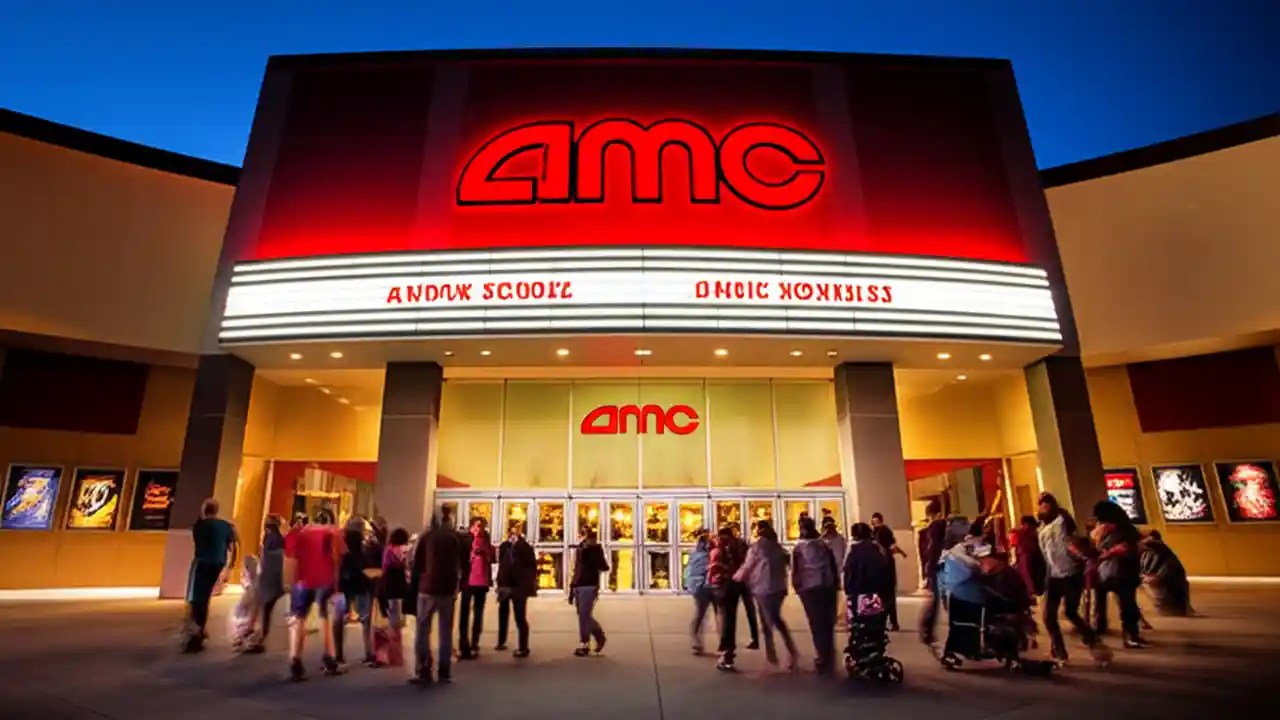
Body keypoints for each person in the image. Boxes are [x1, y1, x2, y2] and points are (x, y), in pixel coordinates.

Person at [1036, 492, 1100, 663]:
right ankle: (1060, 651)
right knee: (1048, 616)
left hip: (1071, 573)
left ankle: (1090, 637)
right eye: (1041, 505)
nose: (1042, 509)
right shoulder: (1041, 528)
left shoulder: (1062, 521)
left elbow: (1071, 536)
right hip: (1053, 576)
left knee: (1070, 611)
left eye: (1046, 505)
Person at [286, 508, 343, 681]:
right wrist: (337, 581)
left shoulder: (301, 533)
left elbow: (293, 558)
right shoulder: (332, 532)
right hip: (324, 580)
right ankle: (328, 657)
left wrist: (291, 581)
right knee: (323, 617)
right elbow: (336, 557)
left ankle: (295, 659)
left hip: (303, 581)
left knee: (298, 618)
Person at [734, 520, 798, 672]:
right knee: (772, 619)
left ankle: (784, 653)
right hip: (778, 588)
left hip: (763, 588)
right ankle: (774, 653)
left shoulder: (757, 548)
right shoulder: (777, 548)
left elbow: (748, 566)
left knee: (771, 620)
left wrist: (736, 577)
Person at [411, 514, 464, 685]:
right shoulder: (454, 538)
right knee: (445, 631)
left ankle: (424, 668)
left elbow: (416, 563)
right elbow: (462, 562)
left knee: (422, 630)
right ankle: (444, 671)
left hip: (427, 588)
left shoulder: (426, 537)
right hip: (448, 589)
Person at [183, 498, 239, 653]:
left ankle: (197, 631)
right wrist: (230, 566)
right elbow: (233, 546)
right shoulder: (226, 526)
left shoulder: (200, 525)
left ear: (204, 509)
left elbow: (197, 538)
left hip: (202, 561)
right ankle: (200, 628)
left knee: (195, 597)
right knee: (205, 595)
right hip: (218, 562)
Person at [1092, 500, 1146, 648]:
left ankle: (1124, 633)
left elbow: (1123, 548)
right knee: (1125, 604)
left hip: (1116, 572)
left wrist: (1104, 554)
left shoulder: (1121, 530)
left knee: (1123, 604)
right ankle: (1127, 634)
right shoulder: (1122, 529)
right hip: (1116, 572)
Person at [792, 516, 839, 673]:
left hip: (809, 588)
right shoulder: (823, 545)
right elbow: (832, 566)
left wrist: (797, 586)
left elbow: (795, 569)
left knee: (816, 622)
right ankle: (828, 652)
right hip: (826, 586)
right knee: (827, 621)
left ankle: (822, 655)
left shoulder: (798, 547)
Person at [335, 516, 376, 667]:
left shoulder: (342, 546)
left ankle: (338, 654)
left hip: (344, 586)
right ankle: (369, 653)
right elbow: (368, 566)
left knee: (340, 620)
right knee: (366, 621)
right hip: (362, 586)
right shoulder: (365, 547)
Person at [243, 515, 286, 654]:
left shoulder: (268, 538)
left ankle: (257, 635)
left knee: (263, 605)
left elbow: (265, 558)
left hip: (268, 578)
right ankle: (255, 632)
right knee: (264, 606)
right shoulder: (280, 539)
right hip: (276, 578)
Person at [495, 523, 537, 657]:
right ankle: (501, 641)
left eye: (516, 533)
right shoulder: (504, 546)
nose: (513, 536)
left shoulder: (525, 548)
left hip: (519, 587)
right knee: (503, 613)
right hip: (505, 584)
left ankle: (523, 647)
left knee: (520, 617)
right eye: (511, 533)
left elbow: (531, 566)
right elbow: (501, 563)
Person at [458, 518, 495, 660]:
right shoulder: (465, 539)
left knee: (478, 613)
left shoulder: (486, 540)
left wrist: (484, 553)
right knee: (464, 613)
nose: (479, 529)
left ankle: (474, 642)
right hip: (468, 580)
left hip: (481, 580)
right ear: (471, 526)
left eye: (482, 526)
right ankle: (463, 642)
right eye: (477, 526)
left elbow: (491, 557)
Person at [569, 527, 610, 656]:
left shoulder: (594, 549)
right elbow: (576, 569)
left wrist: (592, 551)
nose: (580, 536)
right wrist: (572, 588)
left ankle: (585, 643)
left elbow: (604, 566)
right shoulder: (580, 548)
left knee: (584, 615)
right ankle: (598, 635)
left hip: (589, 585)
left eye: (582, 534)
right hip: (579, 584)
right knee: (583, 615)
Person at [377, 527, 412, 666]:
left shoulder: (388, 550)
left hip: (389, 588)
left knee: (392, 623)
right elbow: (408, 567)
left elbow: (385, 569)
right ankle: (397, 654)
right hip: (401, 589)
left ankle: (393, 654)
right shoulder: (405, 550)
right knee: (397, 624)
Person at [916, 499, 948, 646]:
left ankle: (926, 629)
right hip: (940, 566)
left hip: (935, 566)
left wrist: (927, 569)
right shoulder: (939, 526)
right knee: (936, 599)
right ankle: (926, 629)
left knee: (935, 599)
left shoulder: (932, 528)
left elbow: (930, 549)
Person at [1141, 529, 1192, 617]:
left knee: (1174, 606)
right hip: (1162, 582)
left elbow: (1169, 568)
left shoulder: (1161, 549)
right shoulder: (1147, 552)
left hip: (1170, 581)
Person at [869, 512, 907, 631]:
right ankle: (889, 622)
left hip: (885, 569)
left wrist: (900, 552)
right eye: (873, 521)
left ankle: (890, 622)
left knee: (886, 596)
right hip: (883, 568)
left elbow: (891, 546)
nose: (875, 523)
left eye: (876, 521)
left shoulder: (884, 531)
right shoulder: (876, 532)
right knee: (885, 597)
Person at [684, 527, 715, 655]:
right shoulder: (709, 555)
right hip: (706, 586)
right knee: (704, 614)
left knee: (701, 614)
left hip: (700, 587)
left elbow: (690, 571)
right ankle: (697, 641)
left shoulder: (695, 554)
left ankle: (696, 641)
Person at [1010, 515, 1047, 599]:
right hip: (1036, 586)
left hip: (1037, 583)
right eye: (1034, 527)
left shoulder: (1025, 538)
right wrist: (1031, 590)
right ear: (1027, 525)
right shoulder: (1026, 540)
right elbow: (1025, 569)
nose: (1035, 530)